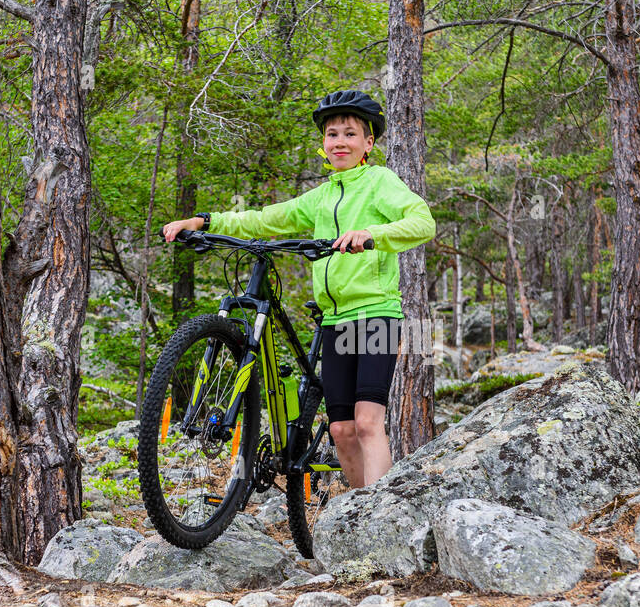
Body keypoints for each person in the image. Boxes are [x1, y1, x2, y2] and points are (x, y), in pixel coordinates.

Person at [161, 89, 436, 487]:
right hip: (335, 321)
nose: (340, 142)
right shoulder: (322, 196)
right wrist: (204, 221)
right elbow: (265, 219)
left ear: (368, 143)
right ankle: (357, 520)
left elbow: (422, 221)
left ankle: (380, 514)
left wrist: (371, 234)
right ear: (323, 145)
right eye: (332, 135)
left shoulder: (379, 181)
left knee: (366, 422)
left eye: (350, 134)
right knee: (340, 431)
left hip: (376, 315)